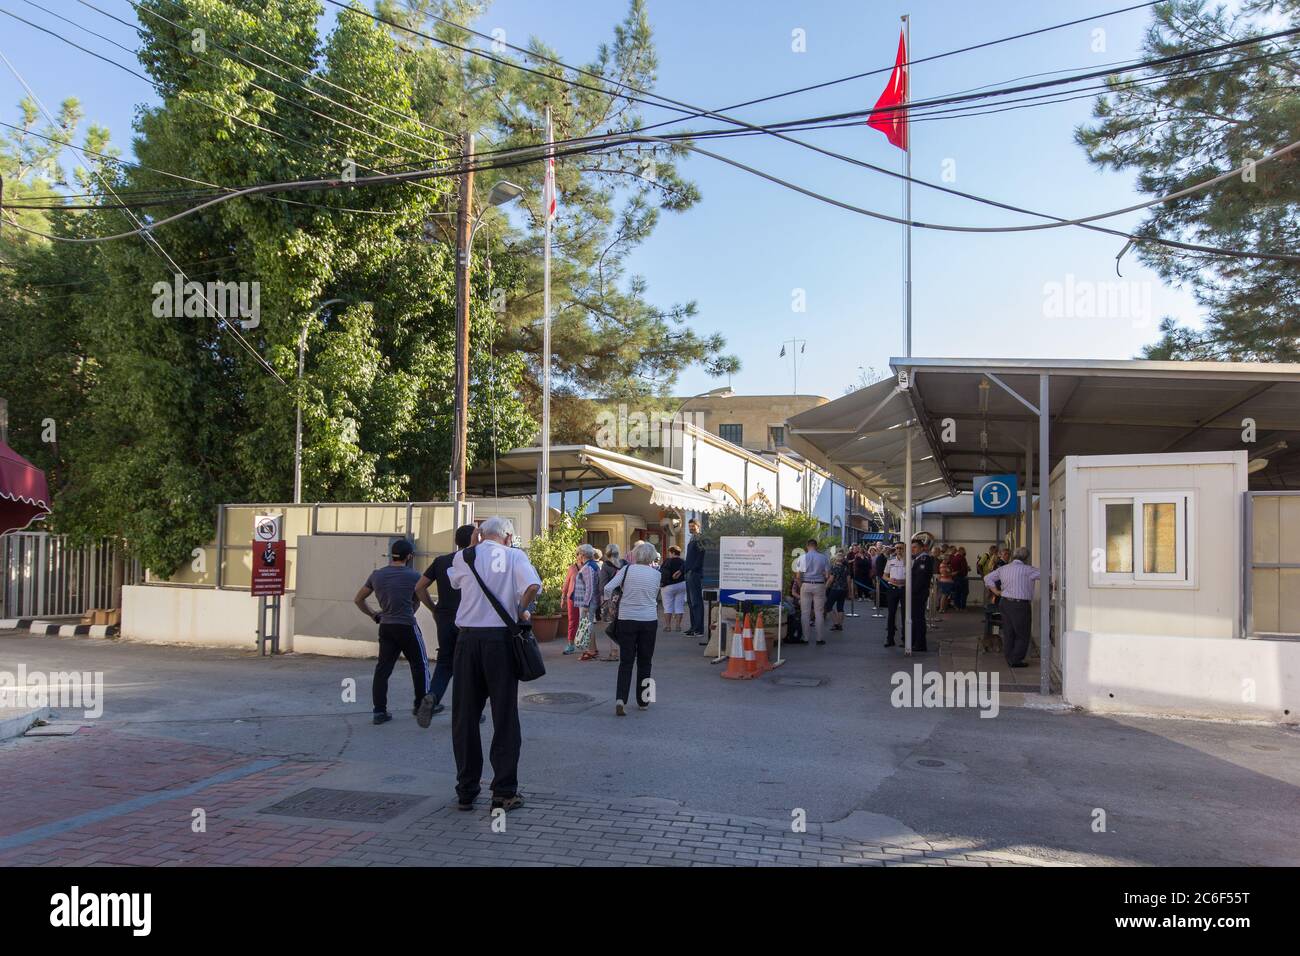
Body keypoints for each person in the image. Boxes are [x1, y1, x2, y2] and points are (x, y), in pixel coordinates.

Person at [447, 516, 541, 813]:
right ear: (509, 536)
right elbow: (533, 586)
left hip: (467, 642)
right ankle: (503, 792)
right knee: (504, 716)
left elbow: (454, 581)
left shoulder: (463, 556)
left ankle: (466, 790)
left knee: (465, 716)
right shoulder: (515, 555)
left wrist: (475, 544)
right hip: (500, 643)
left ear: (480, 534)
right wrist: (520, 611)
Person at [354, 538, 429, 726]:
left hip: (386, 626)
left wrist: (373, 615)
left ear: (391, 554)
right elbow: (418, 599)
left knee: (383, 669)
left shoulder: (377, 575)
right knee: (420, 666)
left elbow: (358, 599)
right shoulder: (414, 576)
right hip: (407, 626)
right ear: (409, 556)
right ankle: (420, 705)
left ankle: (379, 711)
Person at [414, 523, 476, 725]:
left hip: (444, 618)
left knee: (445, 663)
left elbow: (420, 587)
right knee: (468, 667)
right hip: (468, 620)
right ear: (475, 539)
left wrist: (434, 609)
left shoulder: (441, 561)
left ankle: (432, 695)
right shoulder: (476, 560)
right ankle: (467, 712)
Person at [604, 541, 661, 716]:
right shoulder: (656, 574)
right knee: (646, 661)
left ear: (636, 555)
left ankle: (620, 699)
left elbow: (607, 588)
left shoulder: (626, 570)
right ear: (651, 557)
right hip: (649, 619)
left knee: (626, 661)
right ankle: (644, 700)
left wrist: (611, 603)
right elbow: (655, 595)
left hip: (626, 619)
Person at [984, 546, 1042, 668]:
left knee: (1009, 632)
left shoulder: (1004, 568)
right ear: (1026, 558)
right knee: (1022, 633)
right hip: (1020, 605)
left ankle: (1009, 657)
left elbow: (987, 578)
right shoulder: (1028, 570)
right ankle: (1016, 659)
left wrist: (996, 592)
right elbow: (1046, 575)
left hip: (1005, 603)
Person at [573, 544, 606, 661]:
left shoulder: (588, 567)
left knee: (588, 625)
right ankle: (593, 649)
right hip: (591, 600)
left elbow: (590, 587)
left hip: (587, 602)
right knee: (589, 624)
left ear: (582, 555)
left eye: (578, 554)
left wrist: (586, 604)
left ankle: (591, 651)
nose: (577, 556)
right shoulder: (593, 565)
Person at [795, 537, 830, 645]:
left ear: (807, 546)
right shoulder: (823, 558)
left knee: (805, 613)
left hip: (805, 584)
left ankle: (805, 638)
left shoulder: (802, 557)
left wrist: (802, 586)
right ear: (816, 546)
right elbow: (827, 575)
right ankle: (819, 639)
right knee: (819, 612)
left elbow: (798, 576)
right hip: (819, 585)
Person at [910, 539, 935, 652]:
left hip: (919, 593)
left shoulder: (924, 559)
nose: (912, 549)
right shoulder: (918, 559)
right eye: (912, 547)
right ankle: (915, 641)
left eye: (915, 547)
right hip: (917, 592)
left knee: (918, 619)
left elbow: (920, 579)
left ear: (921, 548)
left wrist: (913, 591)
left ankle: (920, 644)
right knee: (915, 618)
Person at [683, 519, 705, 637]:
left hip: (694, 574)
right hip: (688, 573)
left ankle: (699, 629)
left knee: (696, 601)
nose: (691, 528)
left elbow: (700, 557)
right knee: (691, 602)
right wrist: (683, 570)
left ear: (698, 526)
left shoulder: (700, 538)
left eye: (693, 526)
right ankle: (693, 627)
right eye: (690, 526)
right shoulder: (692, 539)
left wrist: (692, 570)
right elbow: (689, 557)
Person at [883, 542, 907, 647]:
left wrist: (905, 581)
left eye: (901, 548)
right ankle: (890, 639)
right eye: (897, 548)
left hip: (904, 588)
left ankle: (905, 639)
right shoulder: (890, 561)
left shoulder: (910, 561)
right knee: (891, 614)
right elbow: (884, 576)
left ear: (905, 549)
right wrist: (890, 579)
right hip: (893, 588)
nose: (899, 550)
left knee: (905, 615)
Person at [659, 544, 687, 632]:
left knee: (667, 606)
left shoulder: (667, 561)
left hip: (668, 586)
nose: (669, 554)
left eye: (670, 552)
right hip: (681, 585)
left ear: (672, 552)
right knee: (679, 606)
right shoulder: (683, 562)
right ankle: (678, 626)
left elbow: (662, 573)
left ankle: (668, 626)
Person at [560, 556, 579, 655]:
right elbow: (566, 583)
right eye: (579, 554)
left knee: (586, 622)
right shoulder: (572, 568)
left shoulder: (588, 566)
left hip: (585, 598)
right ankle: (571, 644)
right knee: (572, 621)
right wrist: (563, 598)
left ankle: (588, 645)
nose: (580, 556)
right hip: (572, 598)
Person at [826, 552, 850, 631]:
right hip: (843, 589)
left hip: (835, 589)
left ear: (836, 558)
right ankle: (840, 624)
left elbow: (831, 579)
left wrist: (825, 587)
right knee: (840, 607)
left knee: (828, 606)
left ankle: (836, 623)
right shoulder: (846, 568)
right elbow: (848, 580)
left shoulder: (834, 567)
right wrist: (849, 590)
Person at [950, 546, 970, 610]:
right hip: (962, 577)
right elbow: (963, 569)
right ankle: (962, 607)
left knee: (957, 592)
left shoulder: (954, 558)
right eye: (964, 551)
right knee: (964, 592)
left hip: (955, 578)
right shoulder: (962, 558)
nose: (965, 552)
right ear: (961, 551)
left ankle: (957, 606)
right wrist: (967, 568)